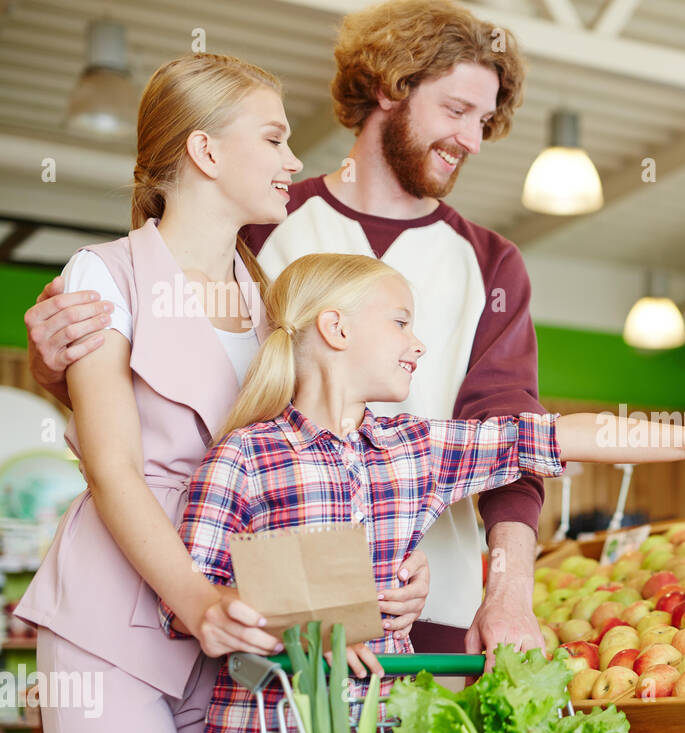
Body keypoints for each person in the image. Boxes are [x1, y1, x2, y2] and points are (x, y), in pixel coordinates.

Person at [166, 252, 685, 733]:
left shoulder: (413, 448)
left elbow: (555, 435)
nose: (420, 343)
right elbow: (191, 608)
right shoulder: (241, 459)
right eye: (401, 321)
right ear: (336, 327)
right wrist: (294, 629)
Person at [25, 0, 553, 669]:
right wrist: (55, 368)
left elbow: (513, 440)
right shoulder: (258, 222)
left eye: (484, 120)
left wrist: (507, 594)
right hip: (278, 606)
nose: (473, 141)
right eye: (455, 111)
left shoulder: (491, 263)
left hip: (437, 606)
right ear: (390, 88)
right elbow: (166, 385)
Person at [11, 54, 429, 733]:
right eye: (273, 138)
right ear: (205, 152)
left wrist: (384, 575)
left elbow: (307, 468)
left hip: (244, 636)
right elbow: (113, 470)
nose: (293, 160)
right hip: (120, 626)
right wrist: (199, 601)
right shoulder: (105, 275)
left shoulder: (274, 296)